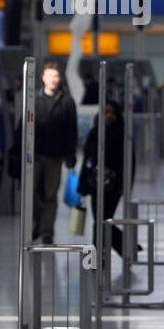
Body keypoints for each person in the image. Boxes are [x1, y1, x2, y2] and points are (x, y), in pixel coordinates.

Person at [31, 61, 79, 245]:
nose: (52, 80)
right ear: (43, 77)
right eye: (49, 76)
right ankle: (38, 222)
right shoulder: (34, 99)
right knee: (33, 192)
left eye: (56, 76)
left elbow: (71, 130)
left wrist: (70, 155)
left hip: (55, 155)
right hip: (35, 154)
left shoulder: (67, 102)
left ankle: (47, 230)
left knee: (50, 194)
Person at [80, 100, 133, 258]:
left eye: (112, 112)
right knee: (100, 220)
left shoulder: (122, 134)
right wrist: (82, 186)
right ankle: (123, 248)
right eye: (106, 112)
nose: (109, 116)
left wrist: (125, 184)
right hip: (96, 183)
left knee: (104, 219)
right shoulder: (95, 133)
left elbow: (129, 161)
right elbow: (87, 159)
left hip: (113, 185)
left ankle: (98, 254)